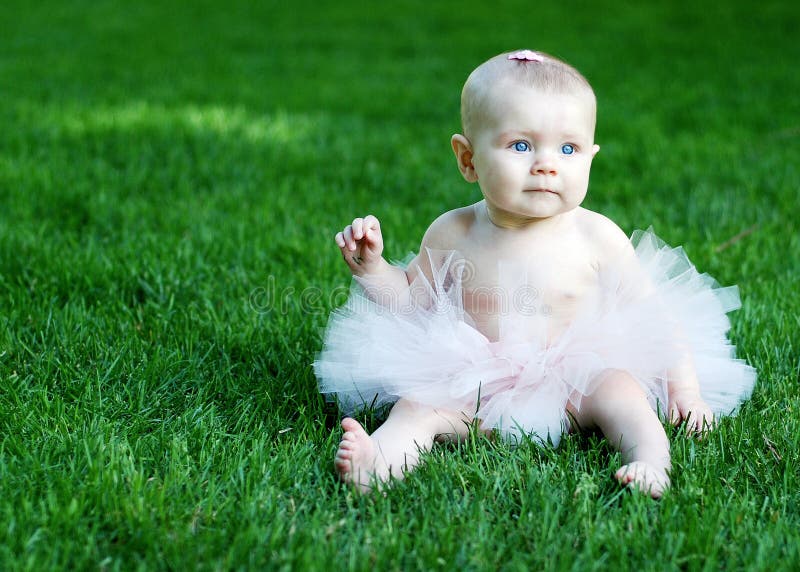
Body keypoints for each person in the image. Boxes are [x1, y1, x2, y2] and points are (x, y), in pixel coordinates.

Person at [313, 49, 756, 498]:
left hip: (577, 376)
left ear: (591, 157)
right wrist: (372, 269)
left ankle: (650, 461)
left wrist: (687, 390)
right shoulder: (452, 233)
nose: (547, 164)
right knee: (416, 407)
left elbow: (654, 318)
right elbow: (411, 305)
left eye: (569, 148)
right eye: (521, 145)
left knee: (624, 395)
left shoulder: (596, 236)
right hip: (475, 381)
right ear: (467, 159)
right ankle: (379, 463)